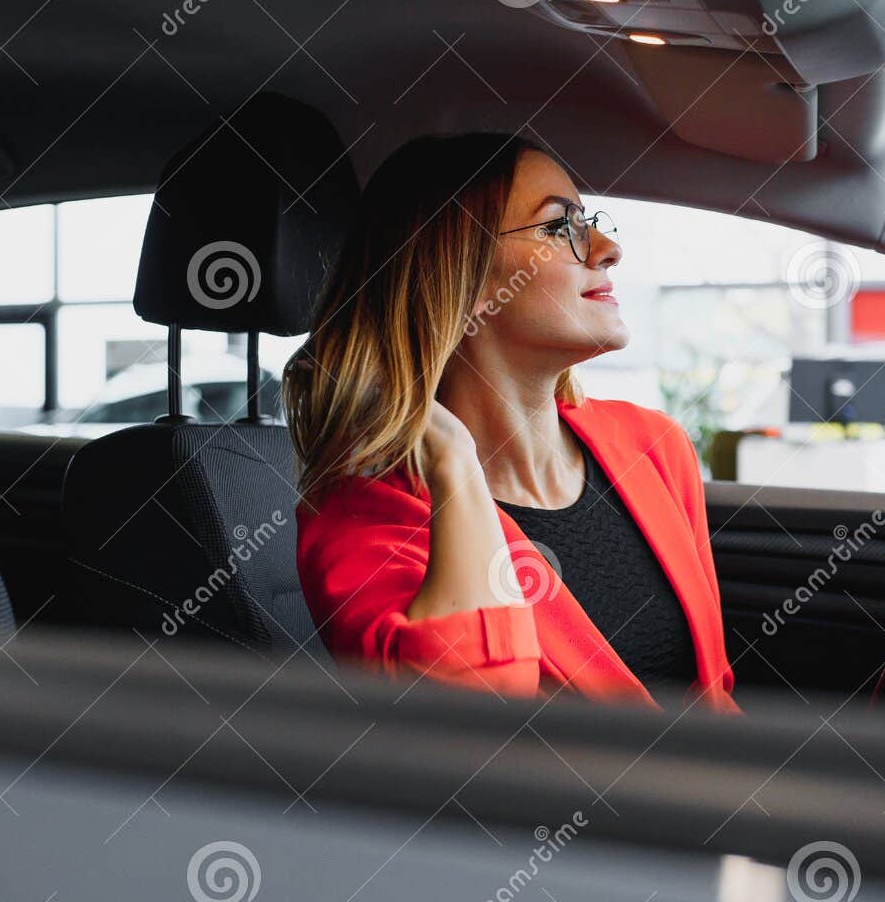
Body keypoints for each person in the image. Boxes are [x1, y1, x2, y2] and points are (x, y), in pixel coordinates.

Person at [284, 133, 737, 711]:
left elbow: (716, 696)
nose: (607, 248)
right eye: (558, 227)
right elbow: (467, 740)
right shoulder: (367, 522)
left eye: (588, 221)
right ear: (462, 278)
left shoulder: (653, 446)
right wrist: (454, 465)